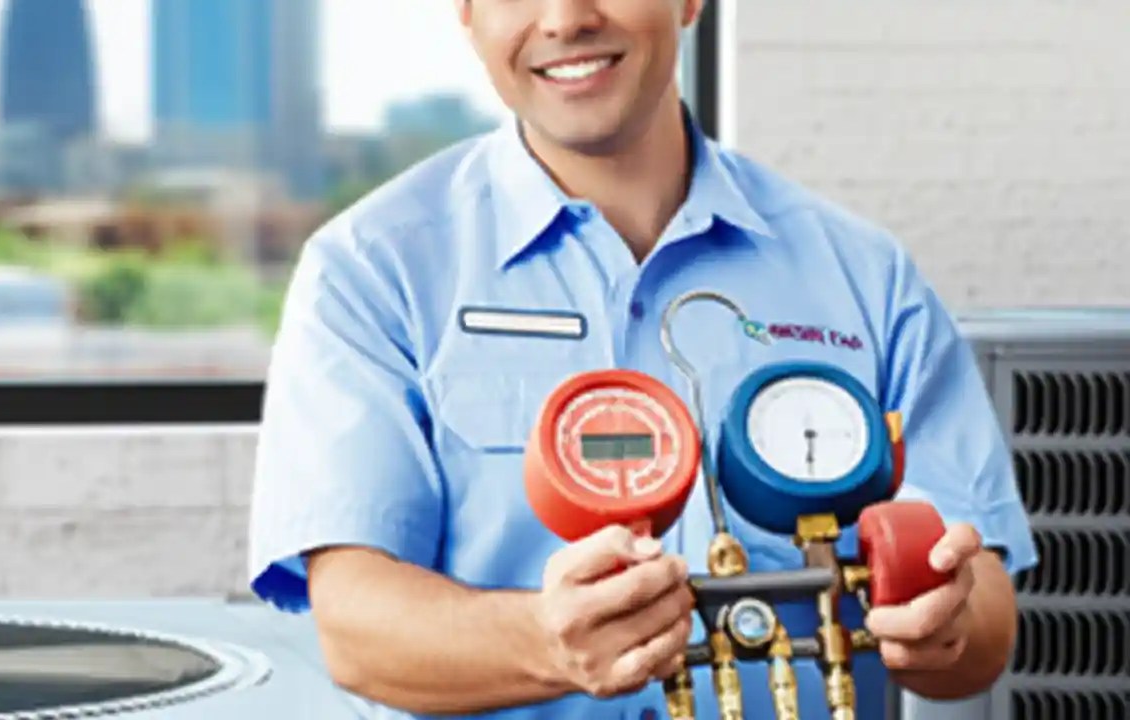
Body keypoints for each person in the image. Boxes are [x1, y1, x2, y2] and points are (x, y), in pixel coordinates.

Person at [247, 1, 1038, 718]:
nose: (563, 18)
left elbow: (984, 614)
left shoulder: (865, 275)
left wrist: (943, 623)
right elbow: (355, 627)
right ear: (466, 11)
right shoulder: (372, 269)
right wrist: (545, 643)